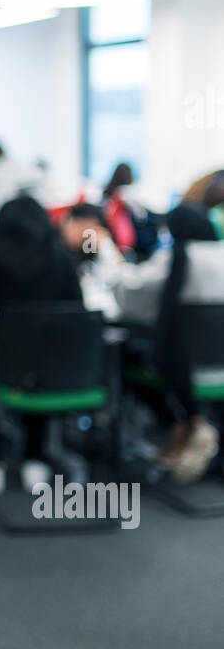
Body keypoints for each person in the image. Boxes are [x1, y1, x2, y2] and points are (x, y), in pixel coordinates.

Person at [0, 195, 83, 497]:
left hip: (3, 367)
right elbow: (77, 312)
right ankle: (34, 459)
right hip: (54, 370)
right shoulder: (61, 256)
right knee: (38, 370)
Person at [113, 173, 224, 483]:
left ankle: (185, 423)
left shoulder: (176, 260)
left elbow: (131, 299)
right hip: (221, 372)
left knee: (124, 361)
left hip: (184, 372)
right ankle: (196, 424)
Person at [59, 203, 124, 285]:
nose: (83, 235)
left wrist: (106, 245)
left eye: (89, 231)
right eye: (81, 227)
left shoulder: (88, 249)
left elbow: (117, 273)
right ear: (68, 220)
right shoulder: (52, 245)